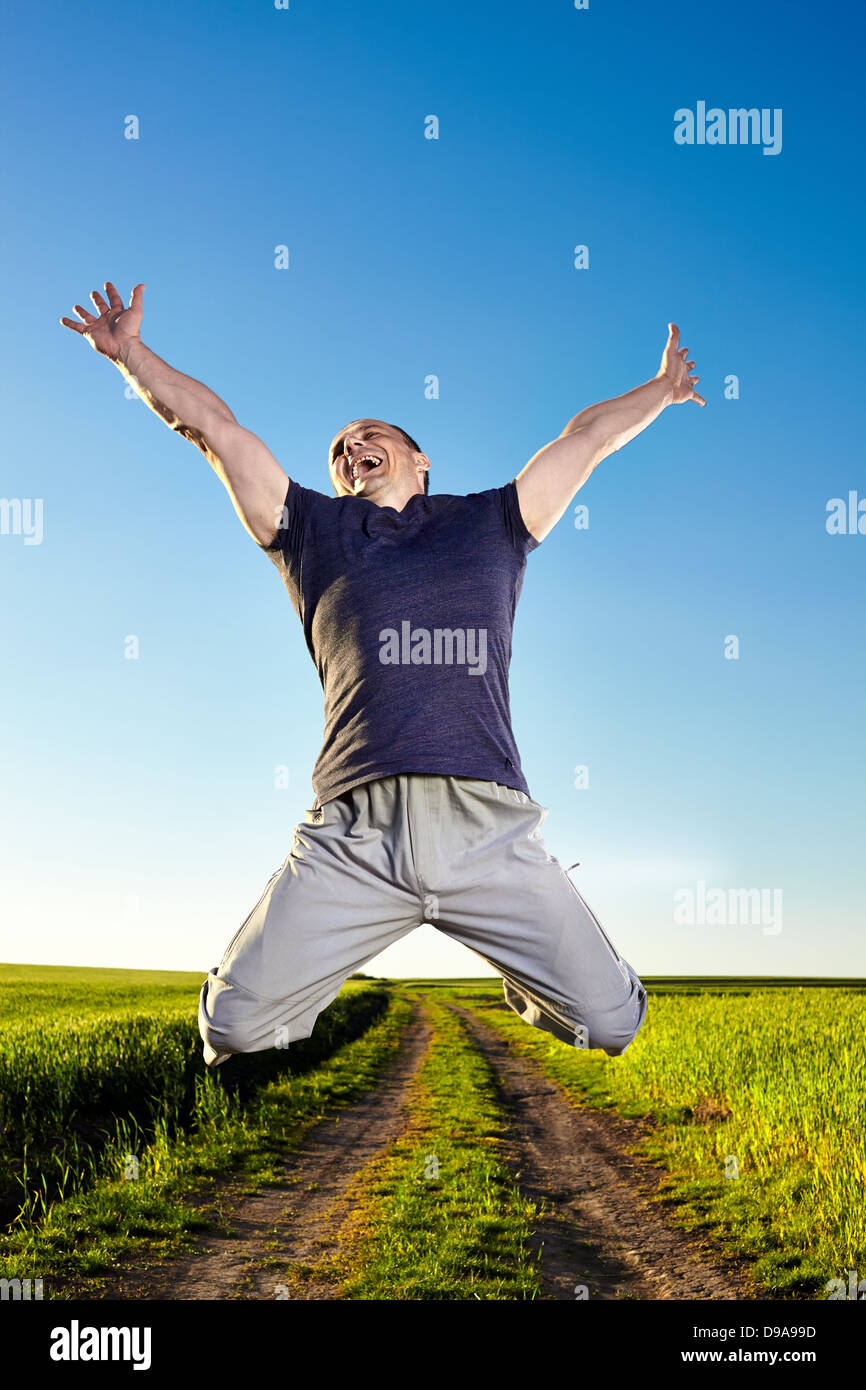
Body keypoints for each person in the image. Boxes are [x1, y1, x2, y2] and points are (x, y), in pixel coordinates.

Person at [61, 282, 705, 1066]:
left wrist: (664, 390)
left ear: (420, 460)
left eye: (370, 437)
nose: (351, 448)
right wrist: (130, 354)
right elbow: (216, 431)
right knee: (229, 1029)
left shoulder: (494, 522)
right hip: (355, 834)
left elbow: (586, 438)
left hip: (486, 826)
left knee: (611, 1024)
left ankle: (529, 985)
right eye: (339, 449)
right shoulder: (311, 532)